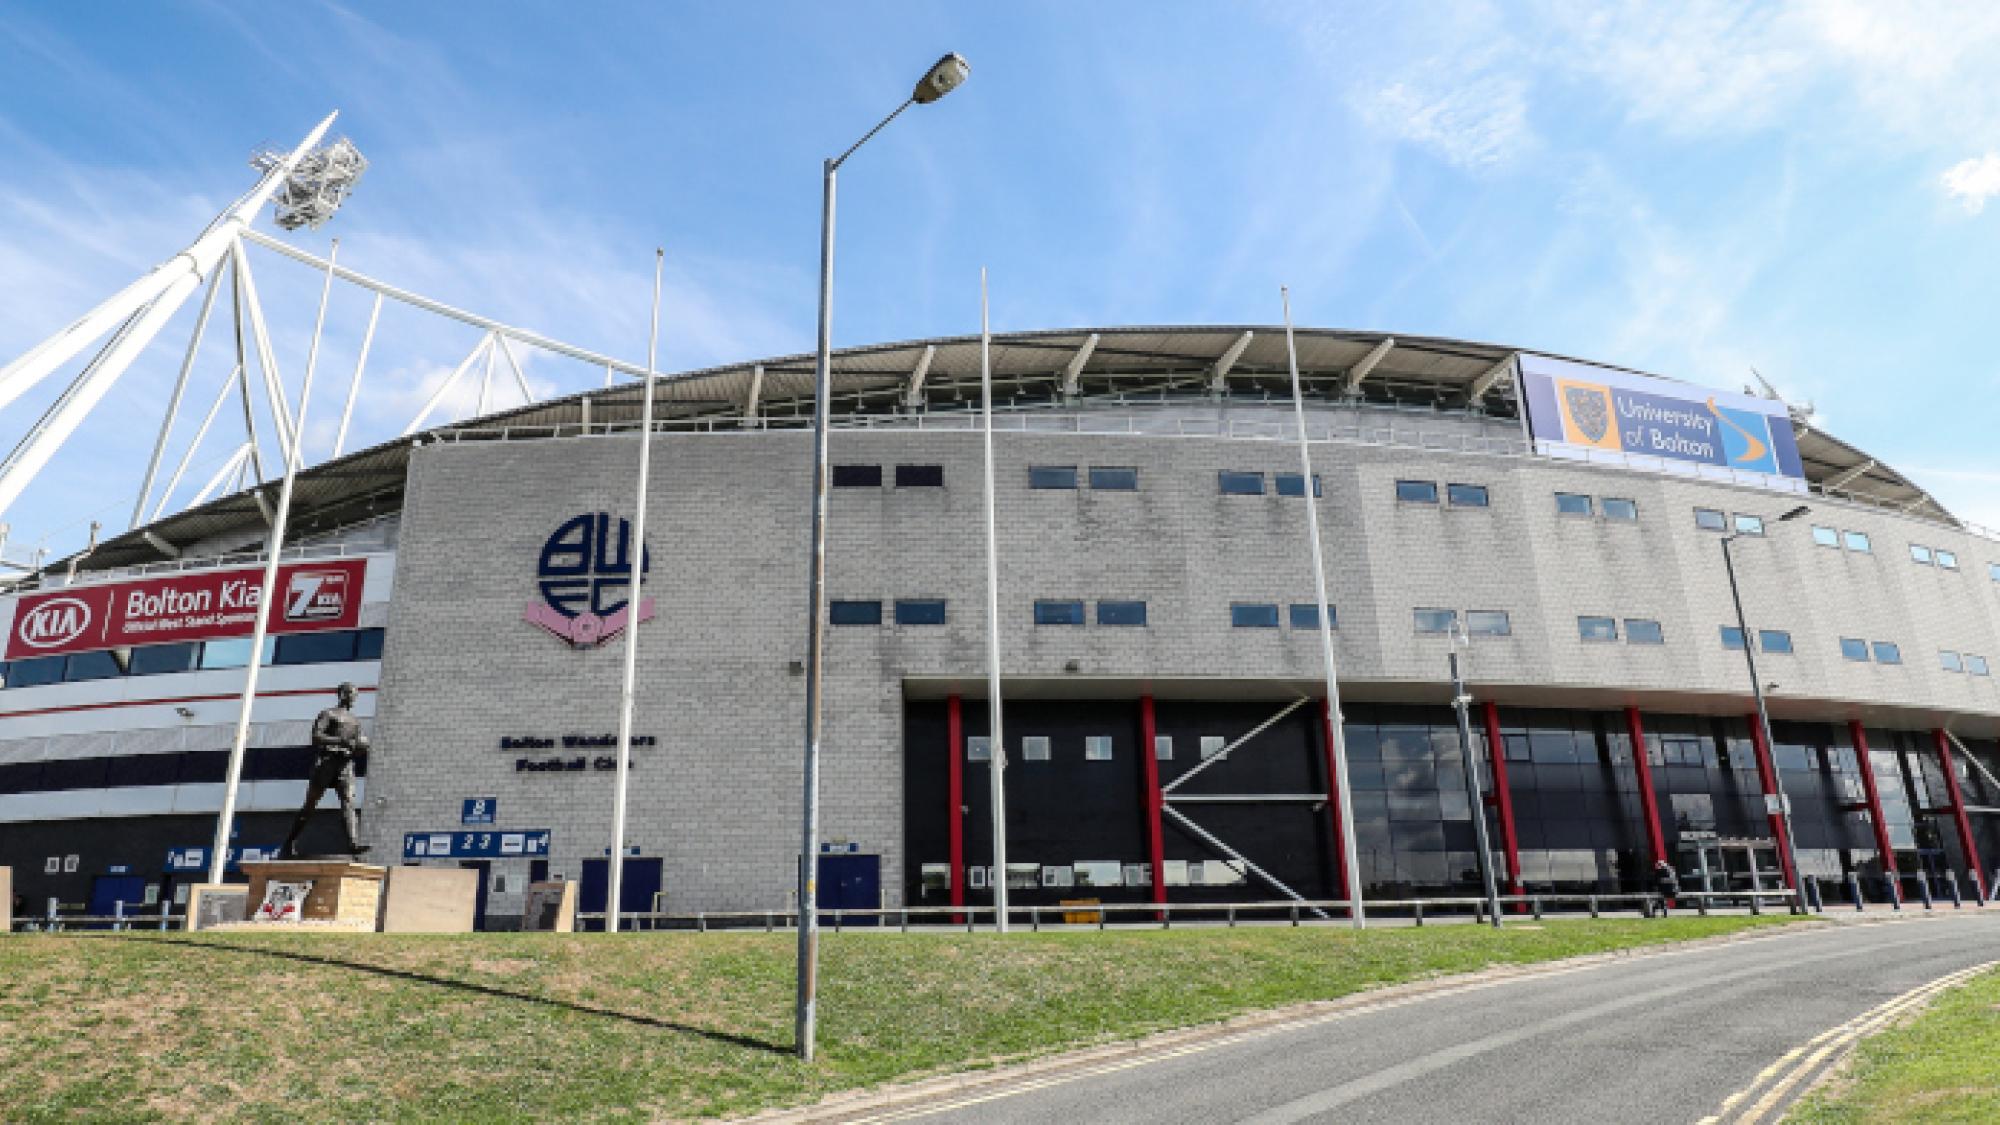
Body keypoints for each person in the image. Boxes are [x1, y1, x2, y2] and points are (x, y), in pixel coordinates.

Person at [279, 682, 371, 859]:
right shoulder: (328, 714)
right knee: (310, 806)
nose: (354, 698)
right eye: (352, 694)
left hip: (345, 765)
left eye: (356, 695)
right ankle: (289, 842)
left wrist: (361, 747)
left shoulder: (355, 721)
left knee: (349, 803)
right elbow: (316, 736)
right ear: (343, 694)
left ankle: (353, 844)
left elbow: (358, 742)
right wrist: (339, 741)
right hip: (326, 763)